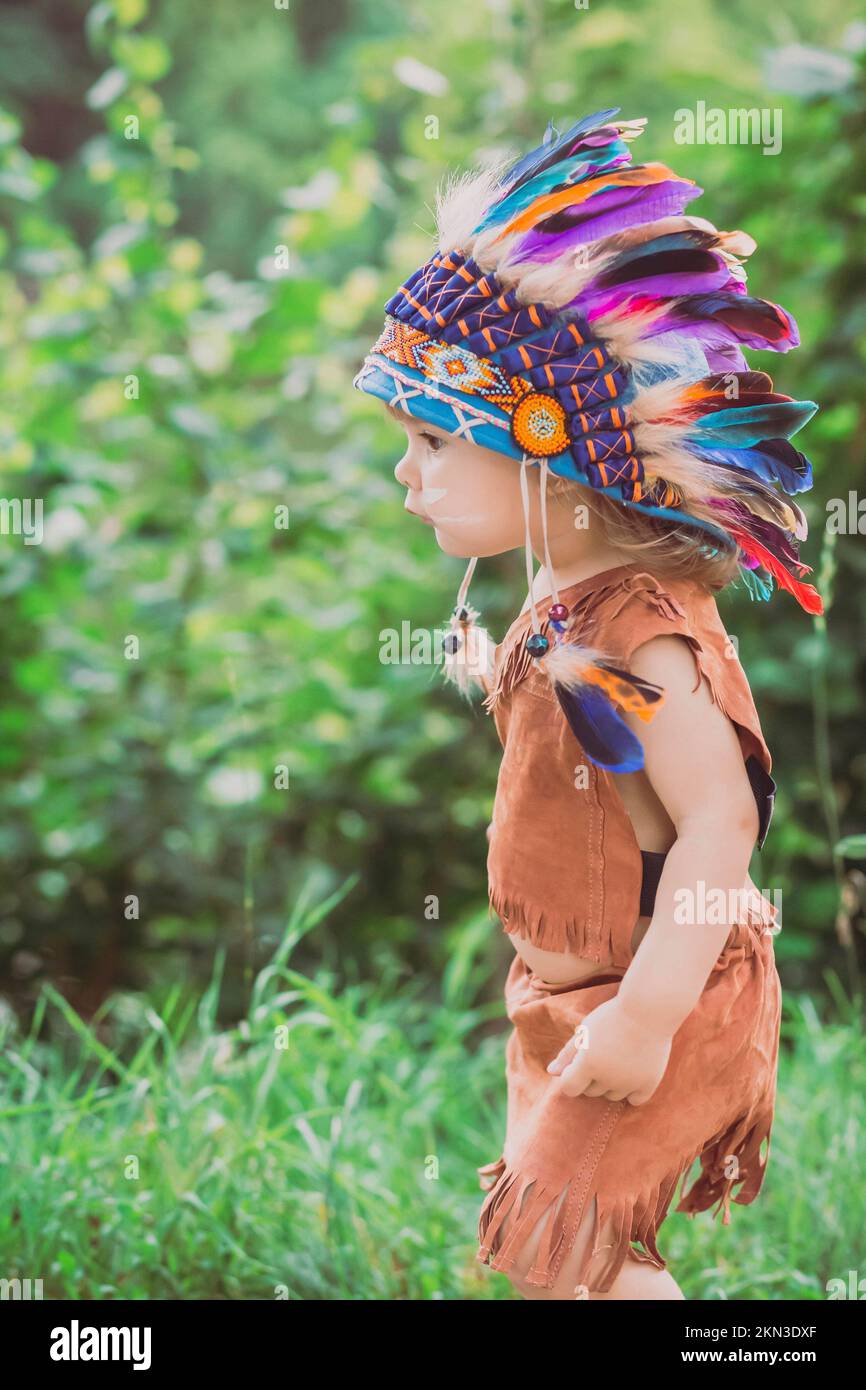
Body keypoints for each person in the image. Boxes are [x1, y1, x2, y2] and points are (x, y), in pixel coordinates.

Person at [353, 109, 821, 1300]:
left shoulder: (636, 627)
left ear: (539, 437)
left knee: (577, 1261)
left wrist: (647, 1018)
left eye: (426, 439)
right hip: (566, 998)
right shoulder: (565, 591)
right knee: (560, 1262)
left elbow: (719, 826)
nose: (404, 475)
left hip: (657, 987)